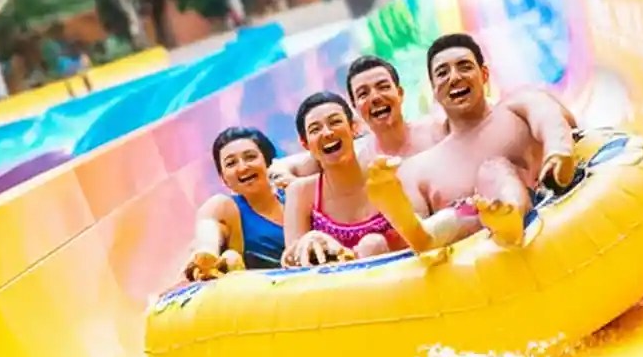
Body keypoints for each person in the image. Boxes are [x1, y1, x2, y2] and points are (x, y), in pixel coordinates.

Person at [366, 32, 578, 252]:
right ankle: (431, 233)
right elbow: (411, 261)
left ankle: (508, 215)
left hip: (545, 218)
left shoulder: (518, 106)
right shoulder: (418, 170)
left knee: (494, 171)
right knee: (462, 210)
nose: (454, 78)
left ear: (484, 74)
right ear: (434, 90)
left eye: (464, 66)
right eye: (442, 73)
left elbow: (549, 117)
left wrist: (558, 150)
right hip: (467, 253)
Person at [268, 55, 446, 187]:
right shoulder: (360, 160)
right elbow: (284, 166)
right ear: (355, 107)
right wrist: (294, 183)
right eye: (363, 94)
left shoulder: (437, 131)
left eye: (383, 87)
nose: (375, 97)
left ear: (400, 93)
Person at [282, 92, 407, 267]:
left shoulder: (385, 174)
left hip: (402, 280)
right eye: (315, 129)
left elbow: (418, 235)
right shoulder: (301, 193)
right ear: (305, 143)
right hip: (337, 289)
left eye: (335, 122)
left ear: (354, 127)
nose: (327, 133)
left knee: (372, 244)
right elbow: (291, 264)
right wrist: (308, 241)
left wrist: (358, 252)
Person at [184, 127, 287, 281]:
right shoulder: (226, 208)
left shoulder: (295, 194)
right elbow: (208, 226)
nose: (243, 167)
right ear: (224, 178)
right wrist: (206, 252)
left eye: (250, 157)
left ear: (268, 161)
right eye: (231, 163)